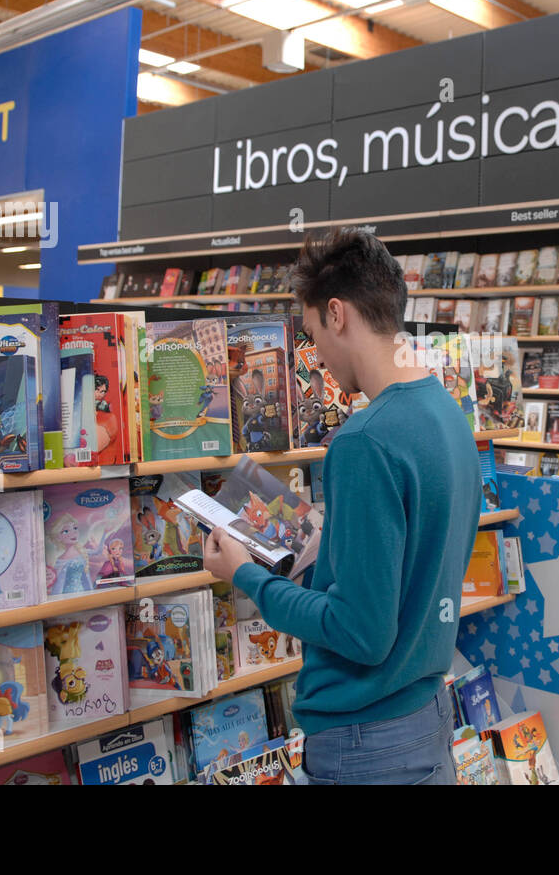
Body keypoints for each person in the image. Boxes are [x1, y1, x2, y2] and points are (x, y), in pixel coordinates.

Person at [201, 228, 480, 785]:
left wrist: (246, 576)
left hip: (366, 743)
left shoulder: (364, 441)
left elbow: (361, 634)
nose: (315, 356)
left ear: (337, 313)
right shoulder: (448, 415)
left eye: (309, 334)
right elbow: (417, 566)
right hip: (425, 721)